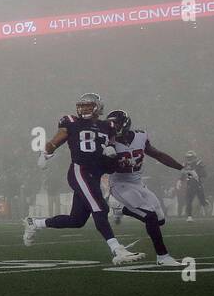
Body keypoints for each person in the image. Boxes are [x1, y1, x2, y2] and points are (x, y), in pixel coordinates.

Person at [24, 93, 144, 265]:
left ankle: (35, 223)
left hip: (95, 173)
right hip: (80, 170)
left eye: (89, 105)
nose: (85, 108)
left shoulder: (107, 125)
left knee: (77, 220)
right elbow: (55, 140)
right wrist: (46, 153)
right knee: (100, 207)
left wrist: (110, 149)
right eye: (82, 105)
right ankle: (117, 250)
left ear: (98, 107)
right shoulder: (71, 122)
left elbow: (110, 142)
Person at [104, 110, 188, 266]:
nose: (113, 126)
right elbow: (104, 168)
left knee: (160, 219)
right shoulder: (108, 142)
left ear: (125, 123)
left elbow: (158, 154)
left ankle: (120, 209)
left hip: (138, 183)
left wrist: (182, 168)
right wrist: (108, 157)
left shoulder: (140, 136)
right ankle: (163, 257)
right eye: (111, 123)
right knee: (150, 217)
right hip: (120, 185)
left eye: (116, 123)